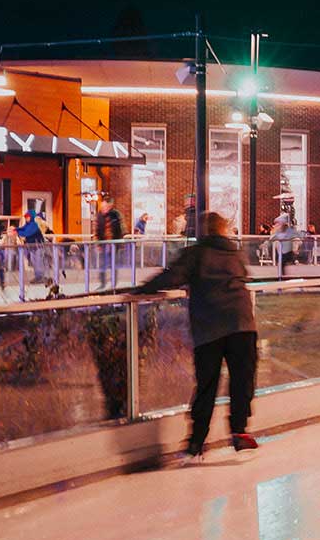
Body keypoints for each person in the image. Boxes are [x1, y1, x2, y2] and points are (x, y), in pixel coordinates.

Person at [133, 211, 260, 458]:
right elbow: (243, 277)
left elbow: (171, 276)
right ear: (223, 230)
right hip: (242, 323)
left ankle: (196, 440)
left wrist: (140, 290)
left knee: (206, 384)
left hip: (209, 328)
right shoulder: (235, 254)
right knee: (242, 380)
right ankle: (239, 430)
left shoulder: (196, 254)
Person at [93, 193, 126, 290]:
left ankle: (113, 284)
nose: (105, 208)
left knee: (113, 264)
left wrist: (121, 242)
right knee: (103, 265)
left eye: (106, 206)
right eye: (103, 206)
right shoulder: (99, 216)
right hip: (103, 244)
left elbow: (121, 228)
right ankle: (102, 283)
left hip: (114, 244)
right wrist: (97, 243)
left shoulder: (115, 215)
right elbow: (96, 230)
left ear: (110, 206)